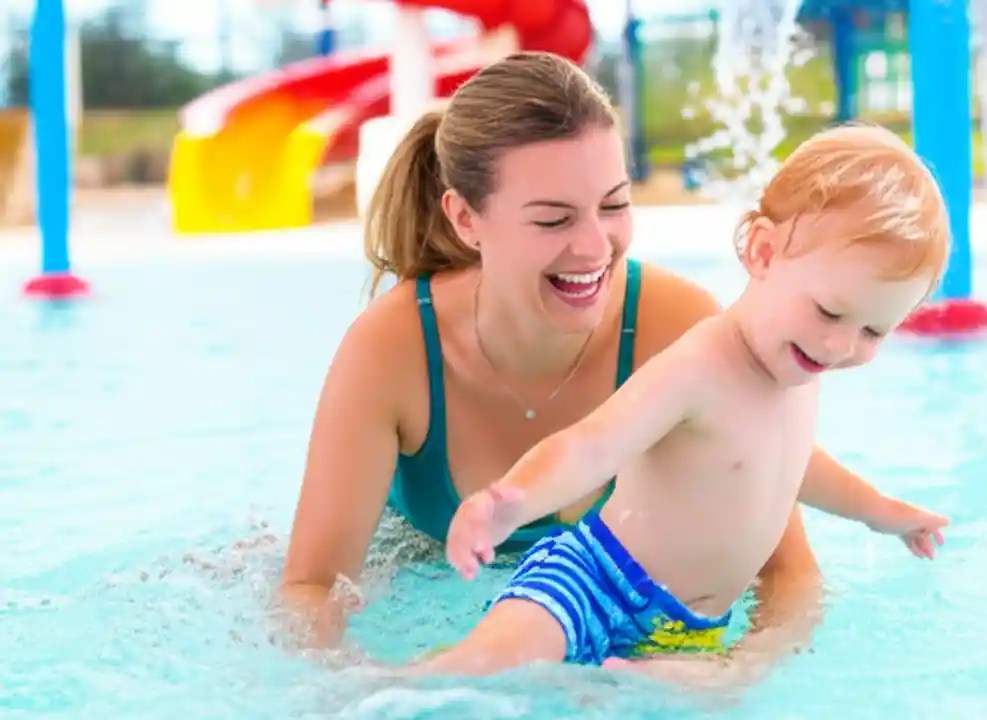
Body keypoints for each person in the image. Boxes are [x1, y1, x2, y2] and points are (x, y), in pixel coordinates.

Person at [278, 51, 879, 682]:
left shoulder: (682, 333)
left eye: (614, 205)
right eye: (553, 219)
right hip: (414, 574)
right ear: (465, 218)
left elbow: (790, 574)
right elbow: (312, 587)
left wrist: (734, 674)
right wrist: (353, 688)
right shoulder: (394, 348)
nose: (595, 246)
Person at [404, 123, 953, 679]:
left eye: (873, 331)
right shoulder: (700, 366)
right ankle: (368, 695)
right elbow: (591, 447)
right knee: (475, 670)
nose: (840, 345)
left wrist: (883, 513)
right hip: (590, 584)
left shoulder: (800, 372)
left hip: (688, 630)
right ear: (763, 252)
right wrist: (512, 502)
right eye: (830, 312)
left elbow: (799, 466)